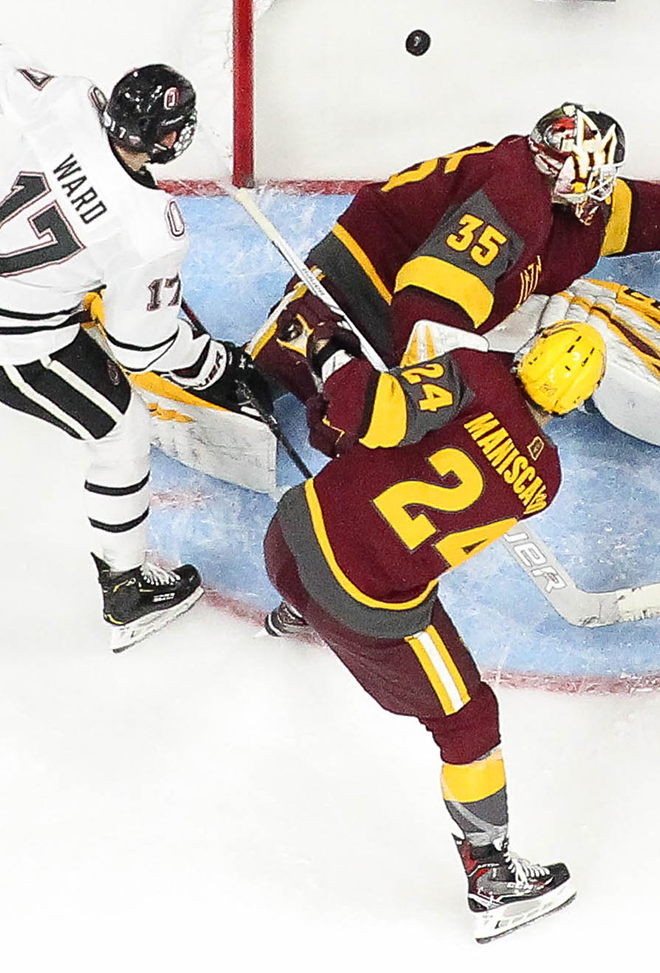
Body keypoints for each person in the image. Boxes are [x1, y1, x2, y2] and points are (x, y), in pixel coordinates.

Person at [259, 315, 606, 942]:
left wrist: (330, 349)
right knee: (468, 719)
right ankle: (493, 876)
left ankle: (295, 611)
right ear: (577, 404)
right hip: (363, 607)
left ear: (527, 357)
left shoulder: (474, 372)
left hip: (286, 543)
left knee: (343, 499)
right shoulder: (544, 482)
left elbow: (361, 419)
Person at [0, 44, 267, 651]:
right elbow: (142, 348)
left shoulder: (69, 102)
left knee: (92, 284)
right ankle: (127, 591)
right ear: (168, 139)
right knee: (120, 431)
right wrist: (215, 366)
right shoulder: (149, 231)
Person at [262, 102, 660, 451]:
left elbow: (601, 220)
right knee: (576, 334)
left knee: (587, 304)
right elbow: (427, 300)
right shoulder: (510, 208)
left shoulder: (539, 184)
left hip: (387, 280)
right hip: (372, 313)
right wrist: (421, 403)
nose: (601, 190)